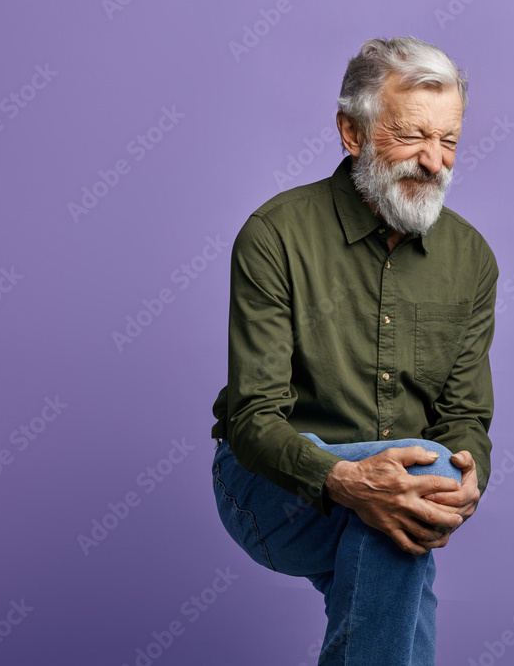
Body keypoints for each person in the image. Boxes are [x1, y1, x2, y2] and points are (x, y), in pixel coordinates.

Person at [210, 36, 498, 665]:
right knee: (405, 490)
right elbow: (253, 419)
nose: (434, 161)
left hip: (399, 491)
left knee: (403, 503)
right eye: (411, 136)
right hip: (269, 489)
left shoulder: (471, 258)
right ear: (351, 132)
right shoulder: (275, 235)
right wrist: (344, 479)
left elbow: (464, 417)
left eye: (449, 140)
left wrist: (468, 472)